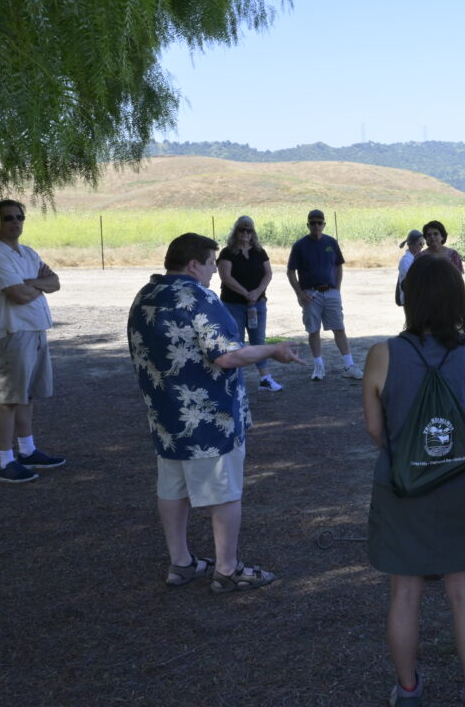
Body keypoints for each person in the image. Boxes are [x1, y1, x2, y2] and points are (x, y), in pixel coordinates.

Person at [362, 256, 465, 707]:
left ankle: (408, 699)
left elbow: (375, 431)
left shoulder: (382, 354)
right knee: (464, 594)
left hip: (403, 486)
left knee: (404, 594)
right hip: (461, 485)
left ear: (410, 297)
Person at [128, 233, 302, 592]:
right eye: (210, 264)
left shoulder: (145, 295)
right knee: (224, 492)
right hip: (209, 419)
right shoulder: (197, 297)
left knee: (172, 489)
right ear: (194, 264)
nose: (212, 272)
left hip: (165, 419)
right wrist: (271, 351)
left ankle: (181, 563)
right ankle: (227, 569)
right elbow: (226, 355)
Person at [0, 199, 65, 484]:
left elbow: (55, 282)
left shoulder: (28, 253)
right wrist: (36, 284)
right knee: (9, 398)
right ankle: (6, 460)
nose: (15, 222)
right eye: (8, 218)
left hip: (36, 328)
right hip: (13, 332)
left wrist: (32, 283)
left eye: (19, 217)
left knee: (27, 395)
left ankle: (27, 450)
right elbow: (18, 295)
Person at [286, 208, 361, 381]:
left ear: (324, 224)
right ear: (308, 225)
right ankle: (318, 366)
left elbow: (338, 265)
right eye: (312, 223)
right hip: (311, 294)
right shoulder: (299, 246)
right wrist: (299, 294)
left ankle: (349, 365)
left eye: (319, 223)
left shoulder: (331, 243)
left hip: (331, 292)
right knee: (313, 330)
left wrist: (337, 290)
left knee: (339, 328)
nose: (316, 226)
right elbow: (290, 272)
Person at [217, 215, 281, 393]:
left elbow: (268, 274)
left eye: (249, 230)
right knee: (234, 341)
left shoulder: (259, 251)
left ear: (253, 232)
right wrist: (246, 293)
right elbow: (226, 277)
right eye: (242, 229)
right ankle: (234, 382)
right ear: (236, 231)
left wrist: (257, 292)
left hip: (257, 304)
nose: (245, 233)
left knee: (258, 340)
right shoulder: (227, 253)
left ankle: (265, 379)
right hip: (233, 304)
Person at [396, 228, 425, 306]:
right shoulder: (406, 261)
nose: (422, 246)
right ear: (412, 244)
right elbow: (411, 281)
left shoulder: (414, 258)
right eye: (420, 243)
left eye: (423, 243)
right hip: (409, 300)